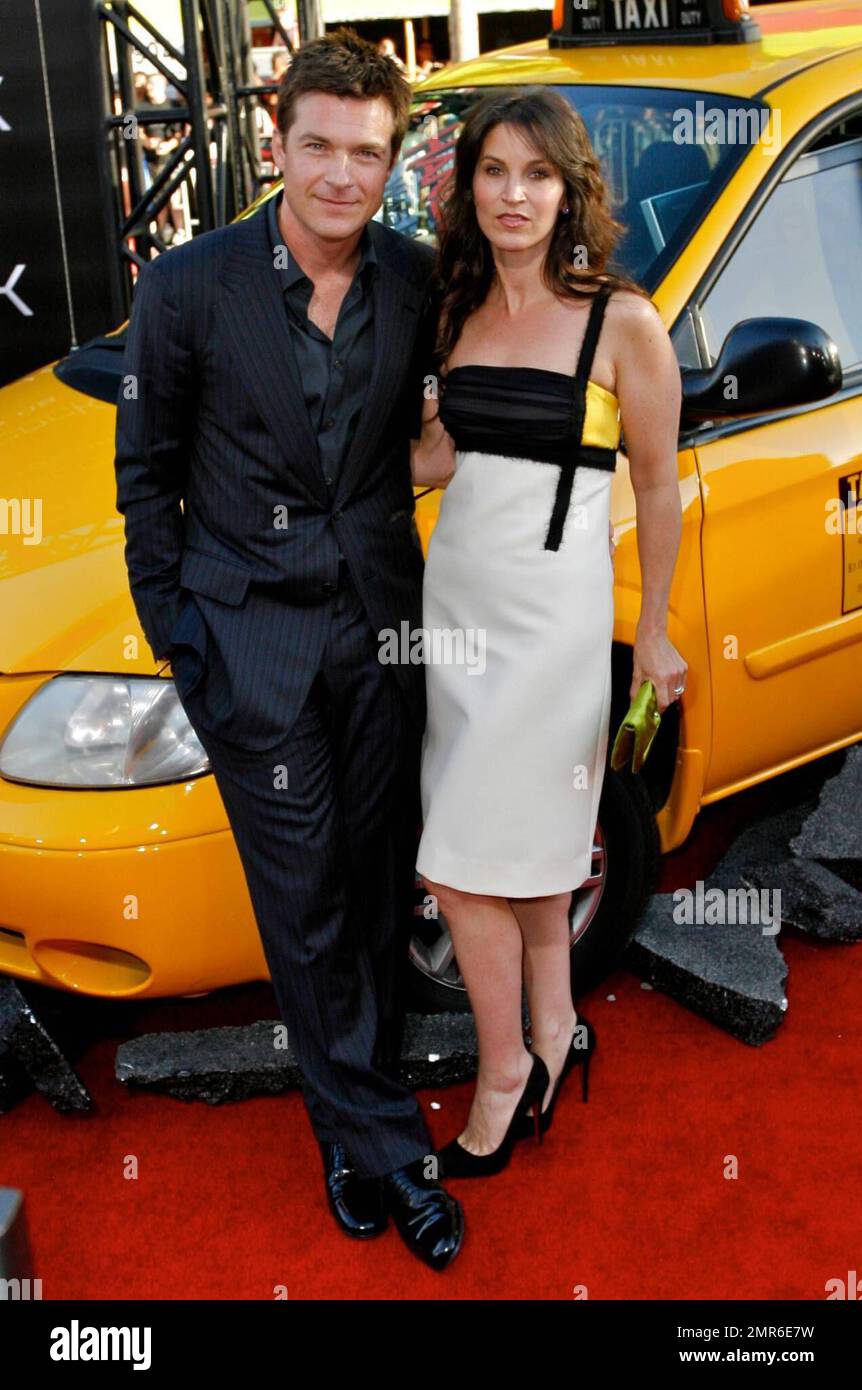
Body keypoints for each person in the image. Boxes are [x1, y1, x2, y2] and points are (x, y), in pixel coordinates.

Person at [114, 29, 463, 1271]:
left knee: (373, 886)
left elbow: (474, 393)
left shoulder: (419, 282)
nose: (340, 173)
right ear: (276, 146)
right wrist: (185, 647)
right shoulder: (189, 287)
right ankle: (390, 1150)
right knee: (304, 898)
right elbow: (145, 481)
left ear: (391, 160)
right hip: (249, 653)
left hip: (381, 634)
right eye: (318, 144)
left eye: (367, 152)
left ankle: (337, 1118)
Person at [410, 86, 687, 1177]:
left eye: (537, 175)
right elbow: (445, 468)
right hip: (458, 615)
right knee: (525, 862)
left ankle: (503, 1075)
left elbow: (658, 489)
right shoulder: (455, 309)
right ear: (466, 183)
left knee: (463, 868)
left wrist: (654, 636)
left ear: (571, 191)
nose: (513, 195)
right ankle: (556, 1027)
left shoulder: (623, 320)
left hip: (555, 631)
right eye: (494, 171)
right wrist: (409, 450)